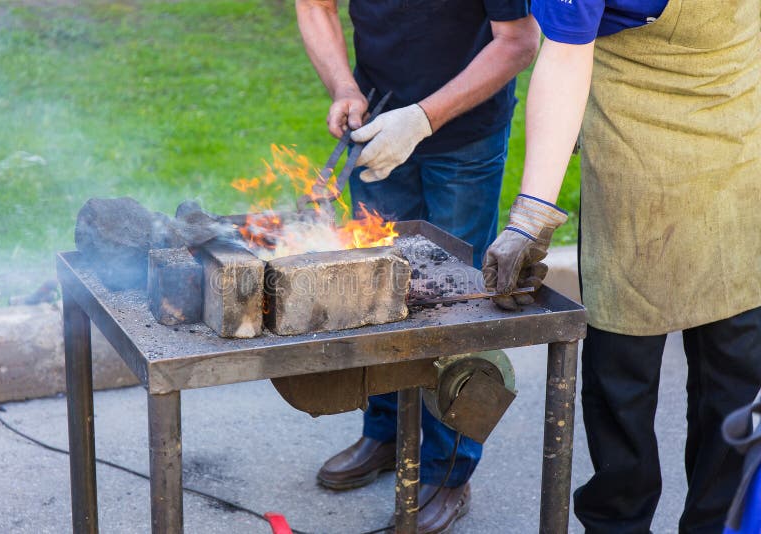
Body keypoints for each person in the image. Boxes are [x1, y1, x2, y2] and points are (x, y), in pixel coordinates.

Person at [482, 1, 761, 532]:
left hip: (740, 121)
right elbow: (564, 58)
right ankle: (619, 523)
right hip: (633, 133)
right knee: (623, 375)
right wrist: (531, 218)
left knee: (737, 371)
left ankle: (720, 523)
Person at [295, 1, 538, 531]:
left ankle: (448, 470)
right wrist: (343, 87)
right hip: (376, 119)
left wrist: (422, 119)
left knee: (449, 306)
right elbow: (315, 5)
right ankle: (385, 432)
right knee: (374, 290)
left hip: (464, 136)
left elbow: (519, 41)